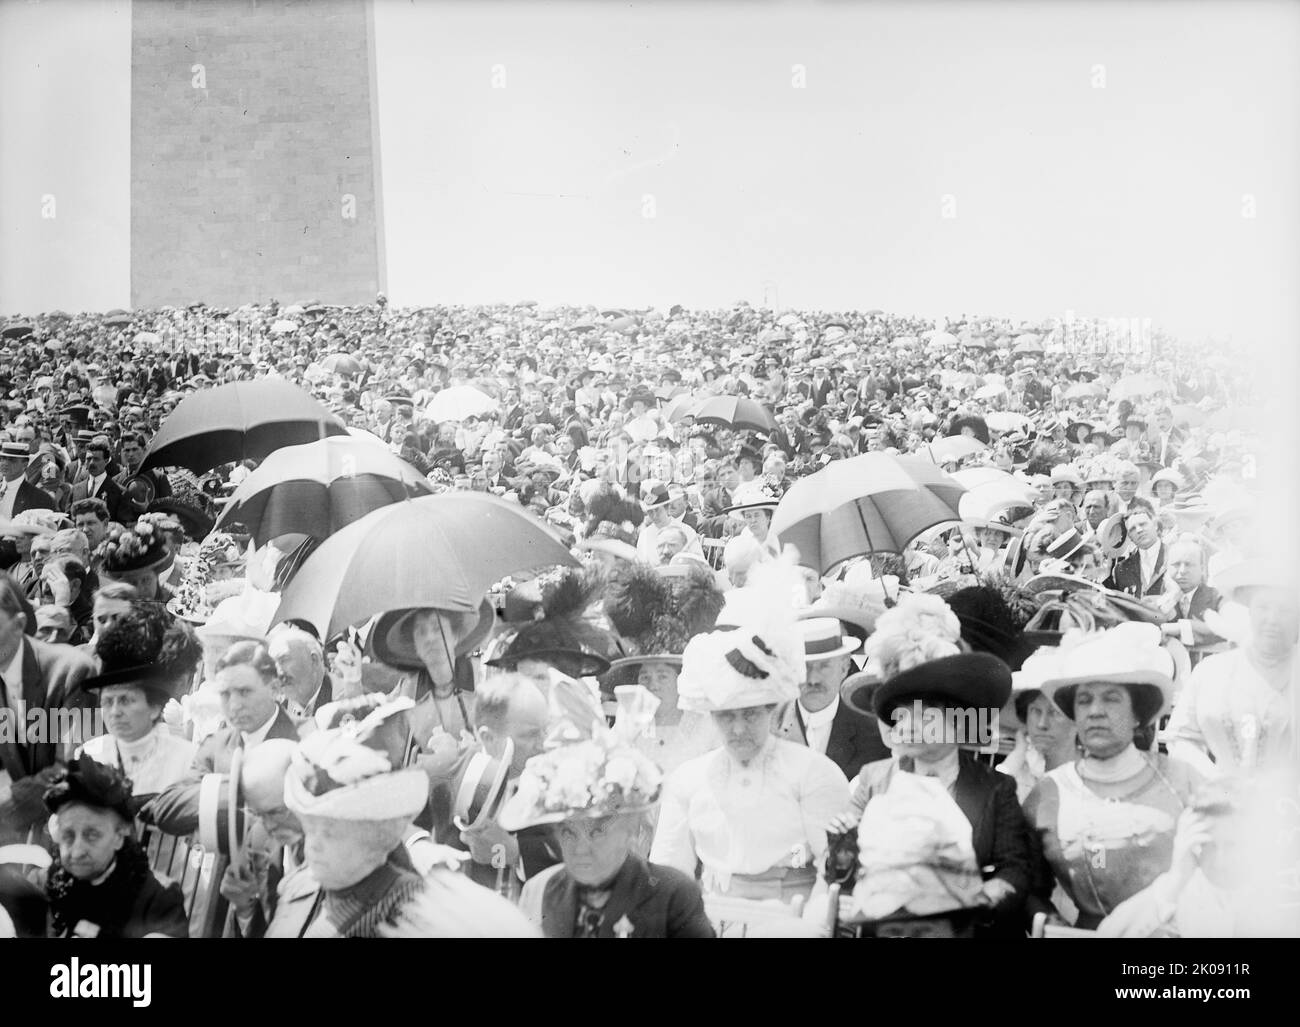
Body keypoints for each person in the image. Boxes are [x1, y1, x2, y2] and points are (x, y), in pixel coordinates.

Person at [650, 571, 849, 905]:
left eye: (751, 714)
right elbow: (669, 874)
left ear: (772, 710)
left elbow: (835, 874)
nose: (738, 729)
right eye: (727, 716)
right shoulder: (688, 780)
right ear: (711, 715)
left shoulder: (815, 773)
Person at [267, 695, 537, 937]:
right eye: (310, 826)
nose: (312, 844)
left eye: (330, 830)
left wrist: (507, 851)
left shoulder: (427, 918)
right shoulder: (296, 887)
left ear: (377, 832)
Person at [830, 652, 1032, 935]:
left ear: (959, 723)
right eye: (902, 715)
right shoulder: (874, 778)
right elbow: (844, 863)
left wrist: (979, 900)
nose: (908, 726)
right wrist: (841, 847)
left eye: (924, 716)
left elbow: (1015, 869)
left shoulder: (995, 788)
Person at [1023, 624, 1203, 930]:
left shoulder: (1182, 781)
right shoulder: (1048, 794)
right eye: (1084, 700)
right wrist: (1050, 923)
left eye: (1111, 699)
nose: (1095, 711)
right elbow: (1028, 886)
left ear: (1137, 713)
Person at [502, 728, 714, 938]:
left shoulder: (672, 894)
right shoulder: (539, 889)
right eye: (568, 833)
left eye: (596, 832)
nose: (581, 849)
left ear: (630, 827)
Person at [138, 641, 299, 836]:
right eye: (225, 694)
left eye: (244, 692)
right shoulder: (216, 745)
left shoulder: (306, 738)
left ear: (274, 689)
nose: (234, 705)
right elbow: (167, 808)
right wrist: (238, 787)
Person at [1164, 559, 1297, 777]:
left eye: (1285, 610)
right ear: (1249, 610)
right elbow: (1181, 738)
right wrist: (1216, 781)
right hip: (1222, 796)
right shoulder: (1213, 671)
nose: (1272, 619)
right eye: (1263, 607)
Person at [41, 754, 188, 938]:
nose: (77, 852)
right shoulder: (44, 884)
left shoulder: (158, 900)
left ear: (119, 837)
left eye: (92, 835)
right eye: (68, 836)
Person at [78, 600, 200, 797]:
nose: (115, 712)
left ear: (153, 707)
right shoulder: (90, 754)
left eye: (126, 701)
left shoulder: (188, 760)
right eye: (108, 702)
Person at [773, 617, 890, 779]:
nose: (813, 679)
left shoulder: (874, 733)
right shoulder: (769, 726)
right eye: (804, 667)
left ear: (845, 666)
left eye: (824, 666)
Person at [267, 623, 335, 720]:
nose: (278, 673)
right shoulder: (281, 713)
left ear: (314, 660)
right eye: (273, 665)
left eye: (284, 660)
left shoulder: (344, 697)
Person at [1105, 498, 1167, 599]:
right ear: (1130, 537)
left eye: (1143, 524)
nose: (1139, 530)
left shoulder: (1174, 555)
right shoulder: (1121, 569)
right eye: (1132, 529)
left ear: (1155, 525)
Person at [0, 439, 55, 519]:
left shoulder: (39, 498)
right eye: (3, 458)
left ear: (25, 464)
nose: (5, 463)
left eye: (12, 460)